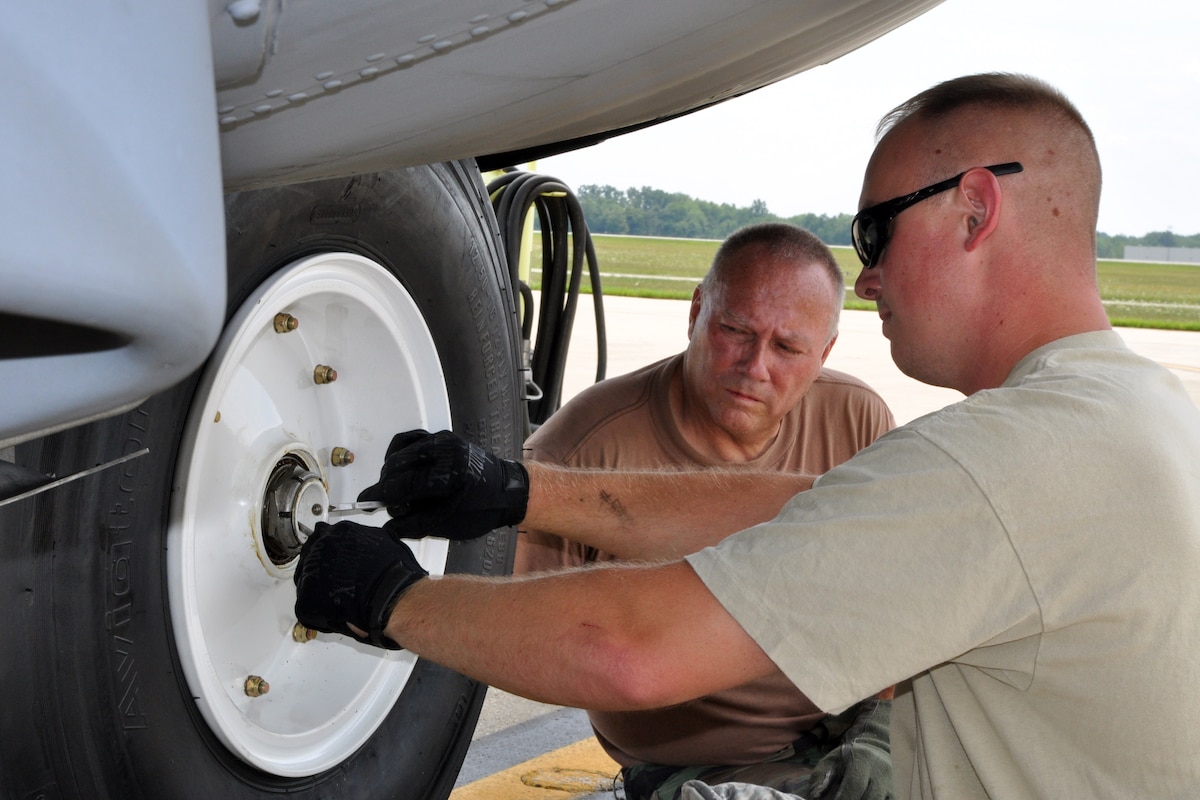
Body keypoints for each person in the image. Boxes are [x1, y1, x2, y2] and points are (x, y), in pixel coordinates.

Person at [294, 73, 1200, 799]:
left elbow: (628, 650)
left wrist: (388, 599)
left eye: (875, 231)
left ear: (973, 210)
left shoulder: (1005, 461)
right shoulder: (1131, 416)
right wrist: (521, 489)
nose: (868, 277)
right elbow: (805, 512)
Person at [516, 222, 896, 798]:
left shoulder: (858, 418)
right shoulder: (582, 449)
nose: (755, 366)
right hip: (704, 766)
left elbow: (903, 596)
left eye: (788, 347)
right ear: (695, 311)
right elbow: (526, 633)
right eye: (735, 330)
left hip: (853, 723)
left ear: (825, 353)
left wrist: (882, 728)